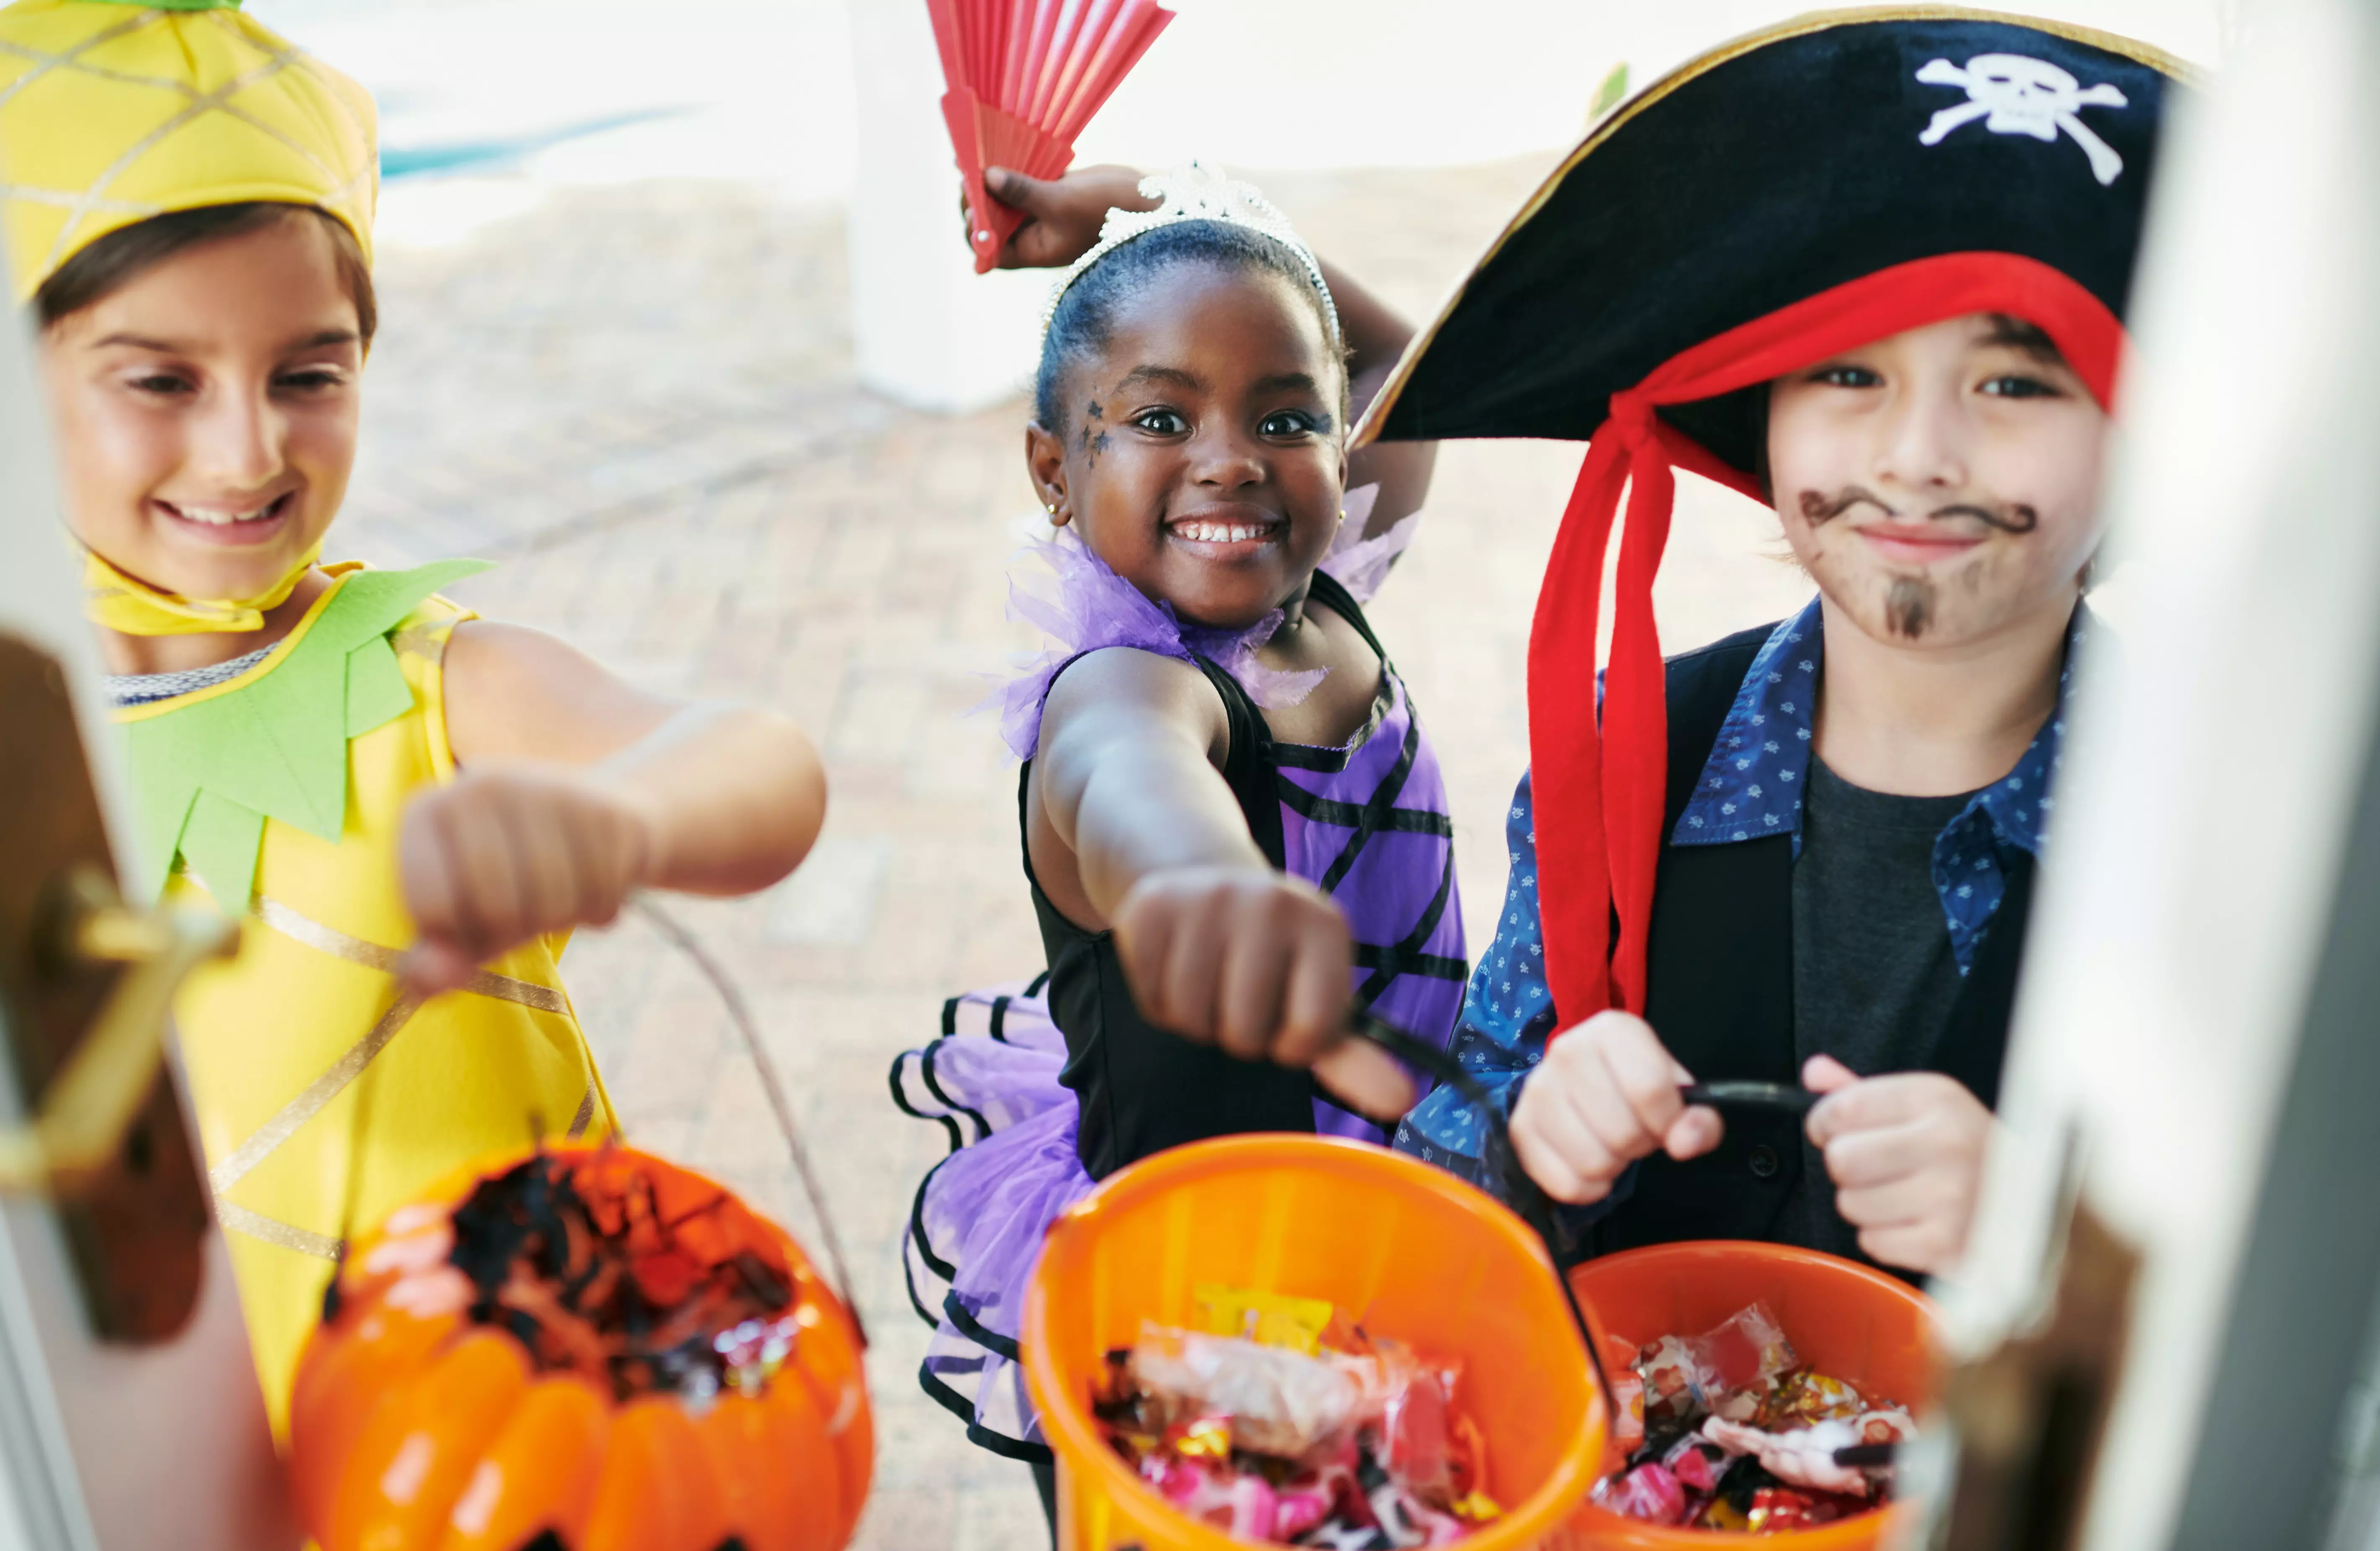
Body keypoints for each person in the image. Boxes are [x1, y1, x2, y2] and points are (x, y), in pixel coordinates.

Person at [2, 0, 826, 1430]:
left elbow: (767, 772)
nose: (250, 447)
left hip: (526, 1454)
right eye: (160, 380)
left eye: (309, 373)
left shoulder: (432, 686)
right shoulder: (27, 752)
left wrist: (618, 814)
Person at [1372, 15, 2189, 1279]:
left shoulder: (2231, 833)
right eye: (1848, 376)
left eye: (2016, 384)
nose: (1917, 455)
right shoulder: (1630, 753)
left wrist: (2063, 1247)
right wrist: (1526, 1146)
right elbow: (1431, 1219)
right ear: (1760, 413)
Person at [888, 163, 1454, 1511]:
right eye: (1157, 416)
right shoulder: (1127, 690)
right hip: (1206, 1273)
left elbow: (1405, 355)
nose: (1232, 460)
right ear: (1055, 470)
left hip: (1392, 1196)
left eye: (1286, 417)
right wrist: (1202, 880)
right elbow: (1133, 779)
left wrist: (1158, 196)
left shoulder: (1320, 597)